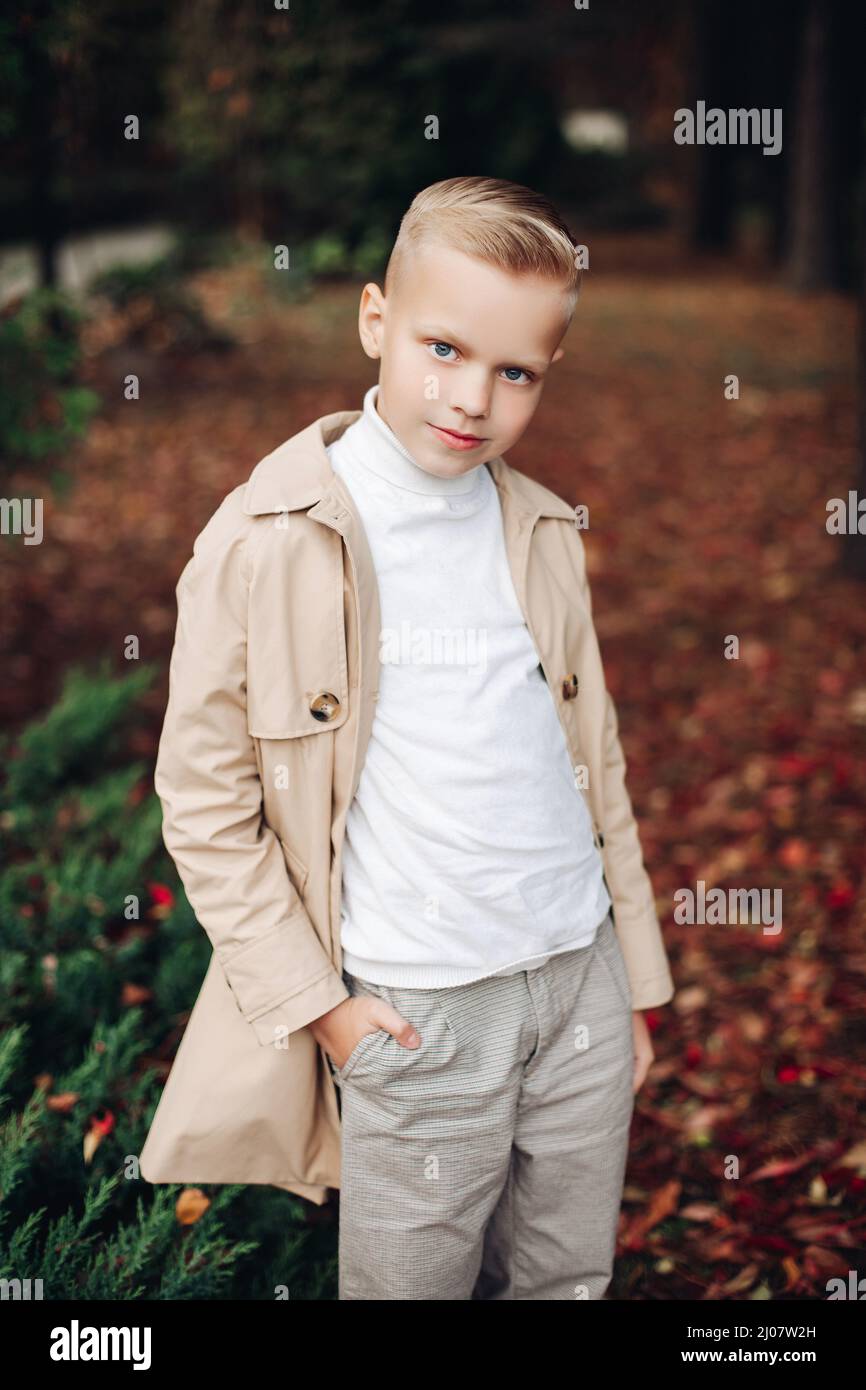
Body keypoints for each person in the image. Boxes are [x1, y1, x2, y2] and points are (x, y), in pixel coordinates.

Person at [139, 176, 675, 1301]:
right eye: (442, 347)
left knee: (563, 1274)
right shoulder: (266, 539)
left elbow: (594, 755)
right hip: (419, 1009)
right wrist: (321, 1009)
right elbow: (202, 800)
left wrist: (628, 973)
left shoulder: (537, 527)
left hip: (572, 973)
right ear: (375, 320)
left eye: (513, 370)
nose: (471, 396)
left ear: (544, 372)